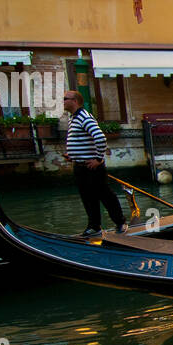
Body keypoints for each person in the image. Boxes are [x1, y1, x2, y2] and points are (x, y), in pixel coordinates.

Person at [64, 90, 126, 237]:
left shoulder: (84, 117)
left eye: (65, 99)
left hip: (92, 167)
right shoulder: (74, 118)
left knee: (105, 195)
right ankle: (94, 226)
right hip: (80, 166)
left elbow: (100, 138)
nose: (63, 101)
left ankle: (120, 222)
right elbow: (82, 140)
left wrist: (98, 159)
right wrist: (72, 155)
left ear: (75, 101)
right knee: (87, 197)